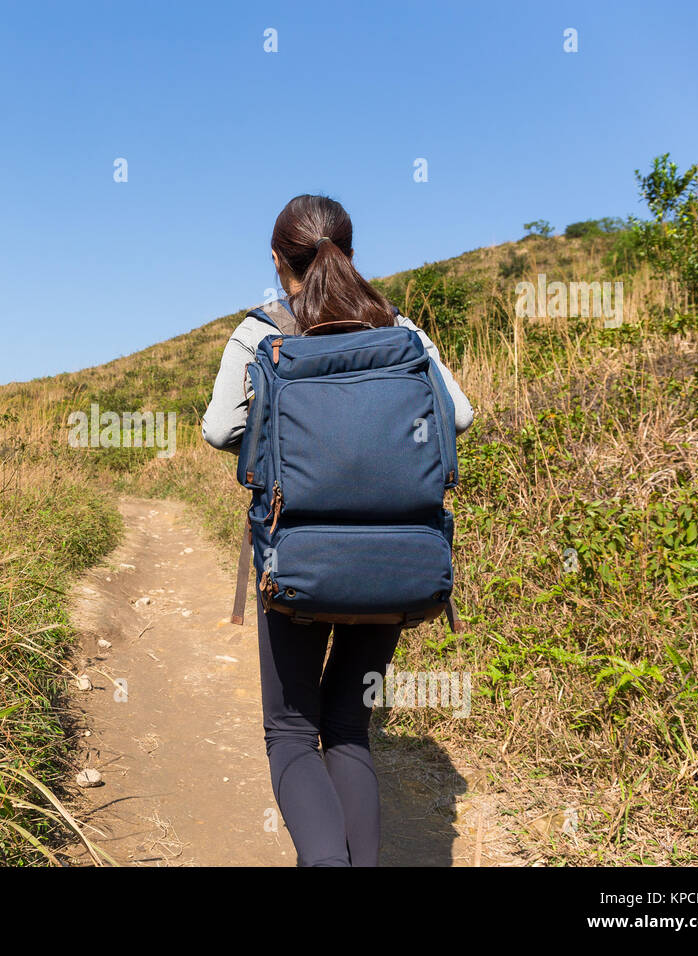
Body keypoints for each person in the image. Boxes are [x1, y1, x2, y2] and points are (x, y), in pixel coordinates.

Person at [201, 194, 474, 866]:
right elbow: (458, 418)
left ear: (277, 260)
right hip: (395, 559)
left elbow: (217, 429)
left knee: (291, 734)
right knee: (349, 726)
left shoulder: (261, 330)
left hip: (297, 555)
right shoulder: (402, 331)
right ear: (350, 253)